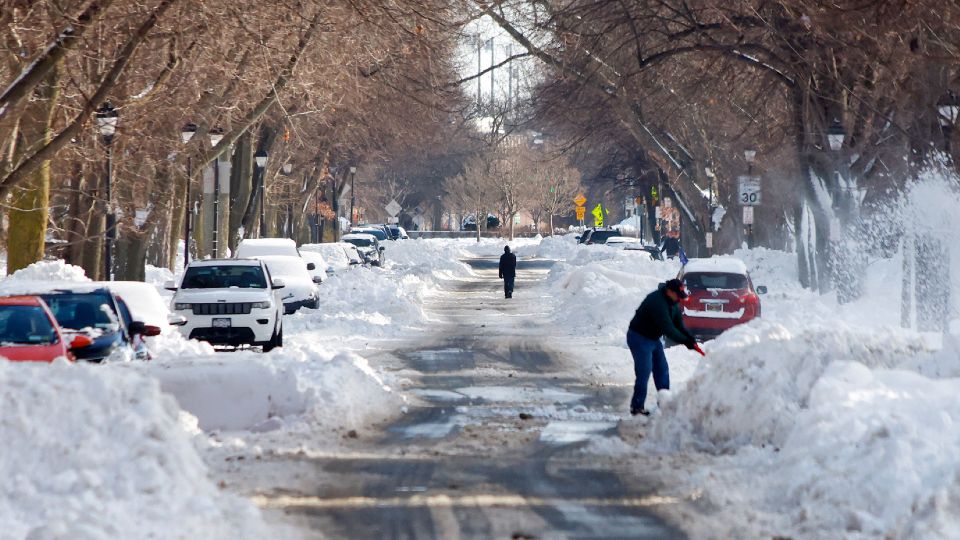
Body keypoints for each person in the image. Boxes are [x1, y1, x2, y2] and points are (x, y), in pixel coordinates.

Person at [626, 278, 698, 416]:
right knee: (644, 371)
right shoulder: (657, 302)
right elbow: (668, 328)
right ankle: (637, 407)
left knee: (662, 369)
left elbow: (678, 324)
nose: (679, 298)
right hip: (639, 337)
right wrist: (685, 341)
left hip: (653, 338)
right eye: (677, 295)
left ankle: (664, 404)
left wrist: (690, 338)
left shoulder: (673, 302)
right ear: (669, 291)